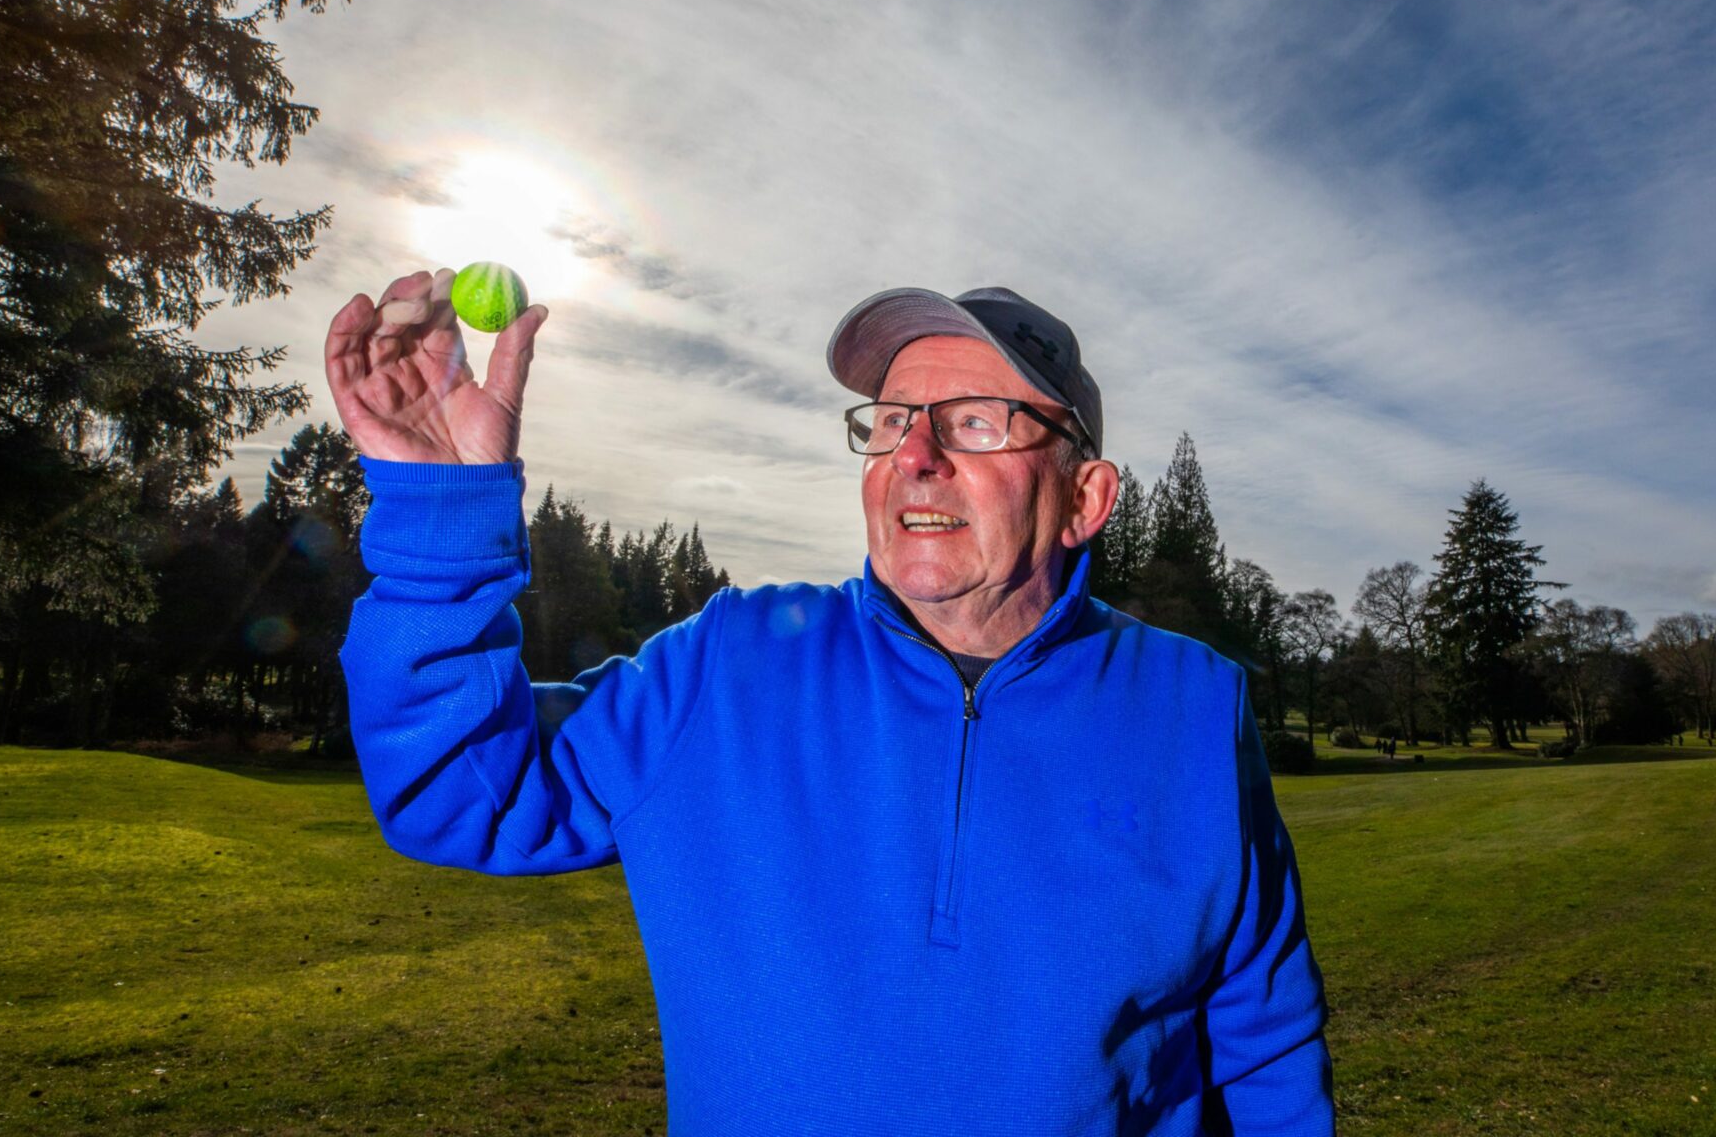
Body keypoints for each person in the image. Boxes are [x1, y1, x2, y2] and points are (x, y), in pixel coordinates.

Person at [326, 271, 1334, 1135]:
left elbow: (1261, 1041)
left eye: (978, 421)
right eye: (895, 420)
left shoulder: (1194, 706)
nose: (916, 454)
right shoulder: (730, 665)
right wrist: (439, 513)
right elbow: (464, 795)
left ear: (1086, 499)